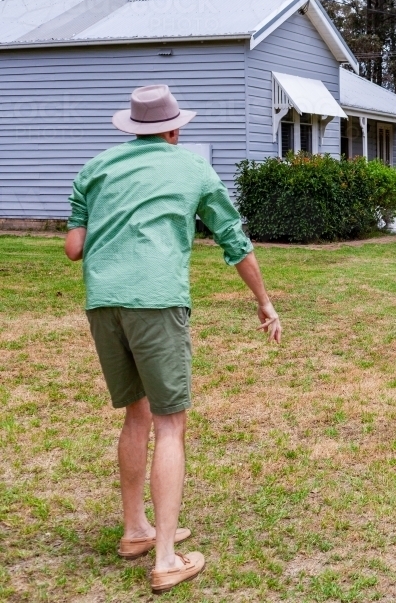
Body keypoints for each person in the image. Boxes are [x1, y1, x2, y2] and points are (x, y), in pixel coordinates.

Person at [65, 85, 282, 592]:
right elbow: (234, 241)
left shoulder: (95, 169)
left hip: (104, 303)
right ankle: (165, 559)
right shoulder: (192, 169)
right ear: (174, 128)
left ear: (132, 128)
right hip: (156, 302)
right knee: (170, 424)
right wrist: (264, 301)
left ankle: (135, 529)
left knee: (135, 412)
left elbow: (74, 247)